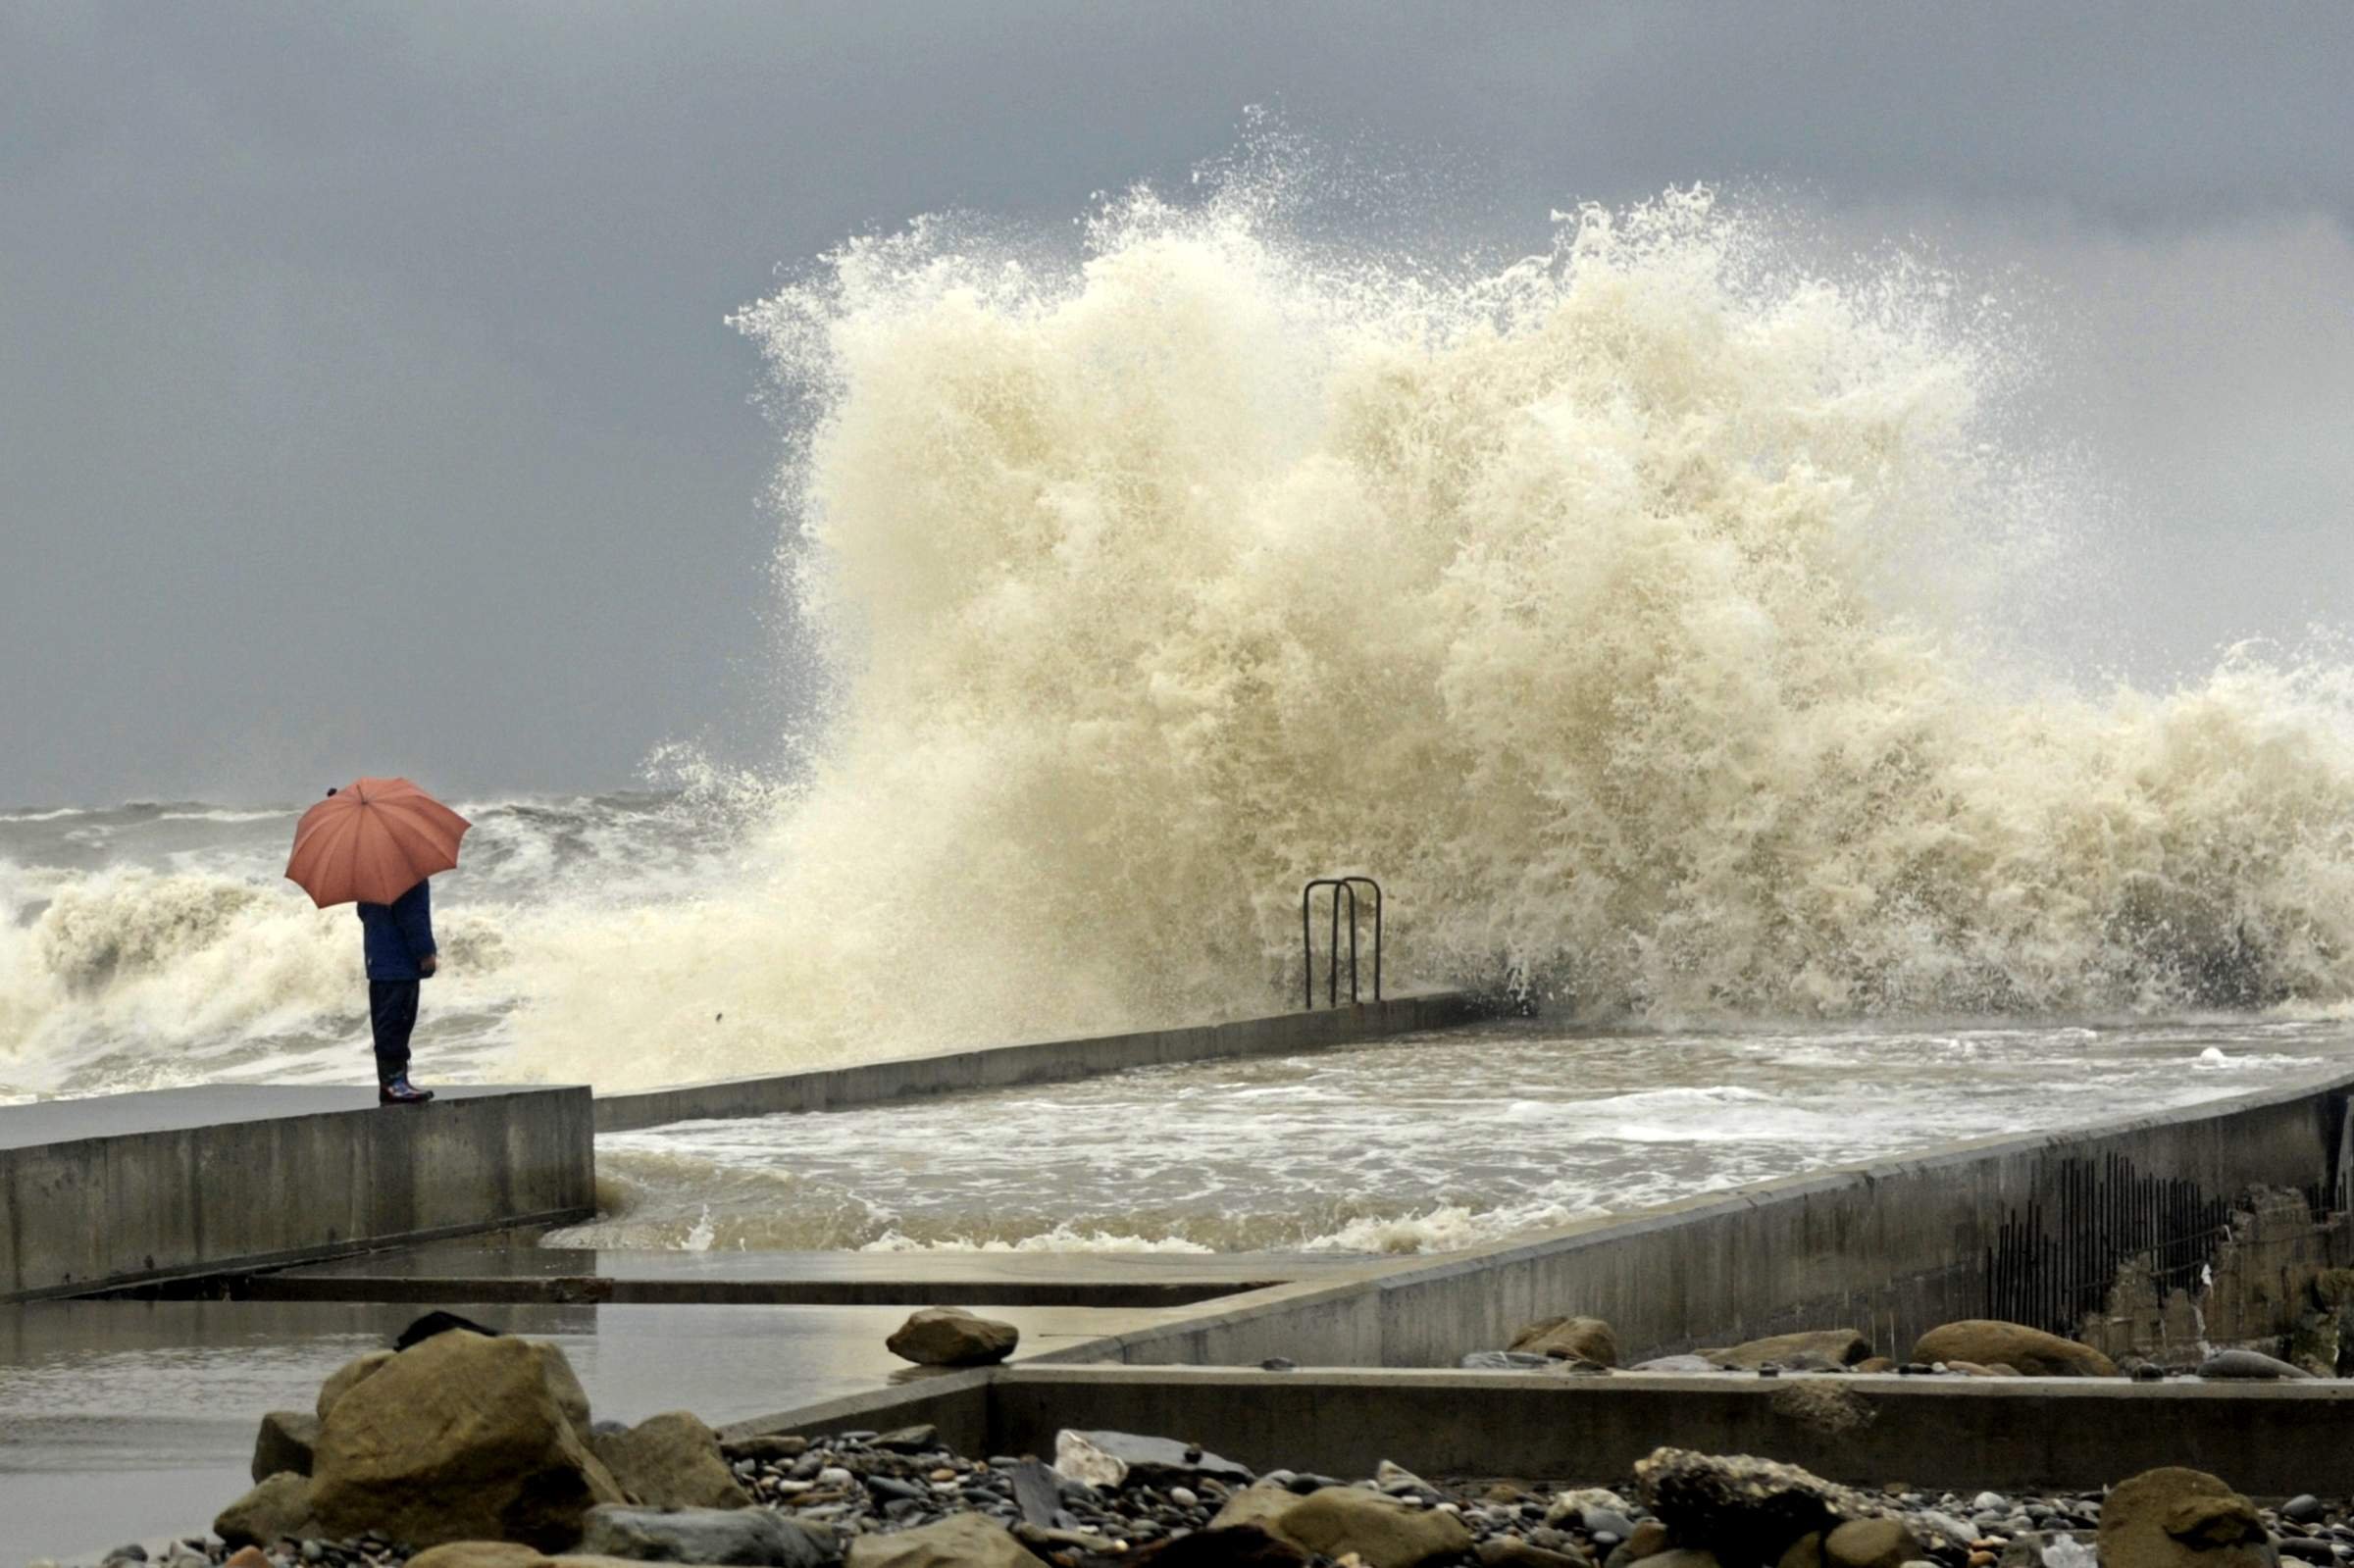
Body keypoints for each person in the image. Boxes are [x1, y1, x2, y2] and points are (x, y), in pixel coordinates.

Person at [355, 862, 439, 1106]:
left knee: (387, 1022)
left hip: (378, 960)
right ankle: (395, 1083)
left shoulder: (366, 872)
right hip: (399, 962)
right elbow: (413, 916)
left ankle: (392, 1081)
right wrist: (425, 952)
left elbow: (363, 912)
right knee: (398, 1021)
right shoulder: (406, 871)